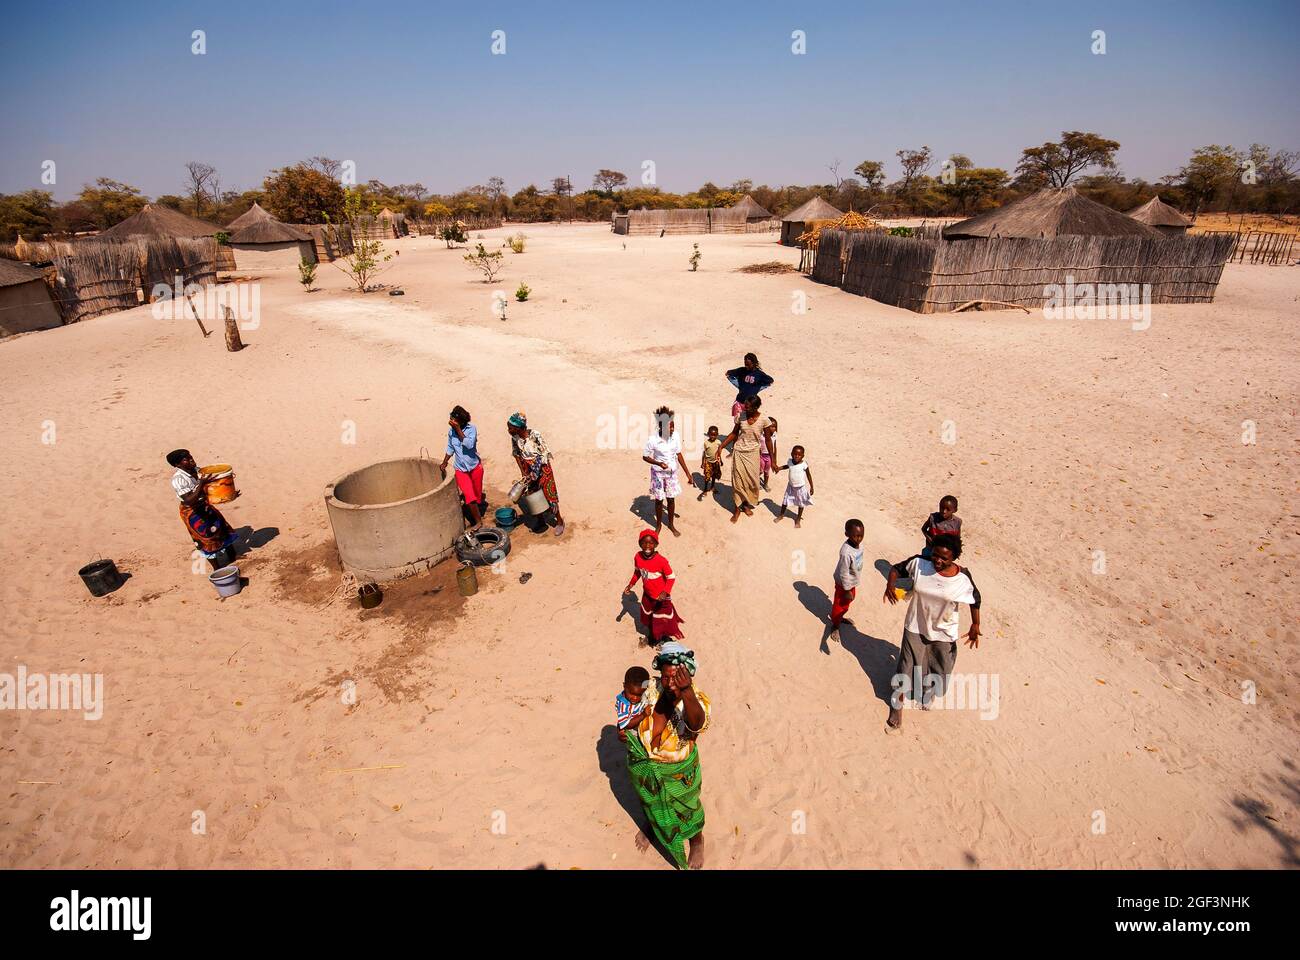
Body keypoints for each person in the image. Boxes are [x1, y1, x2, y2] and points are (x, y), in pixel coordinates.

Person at [882, 533, 982, 733]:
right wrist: (890, 584)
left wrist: (975, 625)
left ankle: (928, 692)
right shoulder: (919, 563)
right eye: (936, 555)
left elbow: (976, 599)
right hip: (915, 626)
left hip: (944, 632)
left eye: (944, 558)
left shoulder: (962, 578)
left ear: (954, 557)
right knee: (906, 666)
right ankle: (897, 706)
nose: (938, 560)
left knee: (940, 668)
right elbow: (896, 569)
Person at [625, 642, 711, 870]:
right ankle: (653, 826)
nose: (671, 683)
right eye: (666, 677)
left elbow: (697, 723)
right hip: (649, 766)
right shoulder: (652, 690)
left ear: (688, 676)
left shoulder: (695, 700)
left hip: (680, 771)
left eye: (677, 678)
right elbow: (636, 713)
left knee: (688, 807)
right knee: (652, 803)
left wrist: (687, 691)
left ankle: (696, 840)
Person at [167, 449, 238, 571]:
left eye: (190, 457)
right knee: (205, 537)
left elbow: (212, 488)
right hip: (192, 511)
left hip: (204, 505)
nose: (191, 460)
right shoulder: (178, 480)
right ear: (177, 465)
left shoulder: (198, 471)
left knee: (222, 528)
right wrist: (201, 483)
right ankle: (217, 568)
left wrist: (228, 493)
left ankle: (233, 556)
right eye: (186, 459)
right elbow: (189, 500)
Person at [717, 396, 775, 523]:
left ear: (756, 407)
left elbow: (769, 440)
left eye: (748, 407)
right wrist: (721, 446)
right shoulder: (741, 416)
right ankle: (737, 508)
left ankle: (746, 504)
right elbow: (734, 434)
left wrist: (773, 460)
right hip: (739, 453)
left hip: (753, 454)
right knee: (738, 481)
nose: (745, 409)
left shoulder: (764, 420)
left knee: (751, 481)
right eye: (745, 406)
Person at [506, 411, 565, 536]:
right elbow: (517, 455)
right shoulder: (515, 439)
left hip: (543, 469)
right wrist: (524, 472)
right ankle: (540, 521)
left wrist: (535, 472)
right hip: (528, 469)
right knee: (533, 496)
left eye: (510, 427)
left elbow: (543, 455)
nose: (508, 430)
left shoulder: (535, 435)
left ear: (518, 427)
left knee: (550, 496)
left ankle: (559, 521)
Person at [623, 529, 683, 645]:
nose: (647, 546)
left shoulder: (661, 561)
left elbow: (671, 577)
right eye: (644, 543)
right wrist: (631, 584)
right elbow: (638, 572)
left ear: (656, 544)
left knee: (662, 619)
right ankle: (651, 637)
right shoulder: (638, 557)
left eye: (651, 543)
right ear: (639, 544)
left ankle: (664, 640)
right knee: (650, 618)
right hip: (647, 595)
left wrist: (665, 592)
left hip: (660, 598)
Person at [642, 406, 691, 537]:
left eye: (673, 427)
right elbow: (645, 456)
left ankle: (671, 524)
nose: (672, 430)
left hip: (671, 474)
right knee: (659, 500)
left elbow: (679, 454)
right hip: (658, 474)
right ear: (661, 427)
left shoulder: (675, 436)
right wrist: (658, 463)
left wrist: (687, 473)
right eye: (670, 427)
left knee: (671, 499)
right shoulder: (652, 440)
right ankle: (658, 525)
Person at [440, 405, 485, 529]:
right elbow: (450, 448)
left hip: (475, 467)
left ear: (459, 421)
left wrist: (458, 429)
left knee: (477, 495)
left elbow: (469, 445)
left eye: (453, 418)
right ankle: (478, 522)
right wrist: (444, 462)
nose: (450, 420)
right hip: (460, 469)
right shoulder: (451, 432)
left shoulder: (472, 429)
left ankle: (476, 508)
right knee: (469, 497)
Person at [829, 518, 865, 640]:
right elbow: (844, 573)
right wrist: (846, 590)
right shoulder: (845, 552)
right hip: (843, 585)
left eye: (861, 535)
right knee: (839, 605)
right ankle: (835, 626)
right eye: (855, 536)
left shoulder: (860, 545)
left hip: (851, 582)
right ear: (847, 534)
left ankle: (840, 618)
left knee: (846, 604)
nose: (859, 539)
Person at [773, 444, 814, 527]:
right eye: (795, 454)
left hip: (800, 487)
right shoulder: (790, 461)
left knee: (800, 503)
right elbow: (787, 466)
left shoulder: (804, 465)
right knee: (785, 501)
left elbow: (809, 475)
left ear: (803, 456)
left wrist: (812, 486)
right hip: (790, 486)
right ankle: (781, 515)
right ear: (791, 454)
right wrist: (779, 468)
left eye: (799, 455)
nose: (797, 456)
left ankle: (798, 519)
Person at [725, 352, 774, 419]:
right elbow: (729, 372)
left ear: (754, 363)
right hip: (740, 401)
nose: (746, 366)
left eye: (748, 365)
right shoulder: (742, 370)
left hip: (750, 405)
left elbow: (770, 380)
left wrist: (758, 386)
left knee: (747, 423)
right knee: (741, 423)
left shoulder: (759, 374)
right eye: (745, 364)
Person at [615, 666, 651, 742]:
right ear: (624, 686)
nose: (635, 698)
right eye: (632, 694)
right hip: (633, 732)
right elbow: (626, 724)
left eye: (639, 695)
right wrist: (643, 715)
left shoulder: (643, 688)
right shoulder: (623, 705)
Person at [696, 425, 723, 501]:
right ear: (708, 434)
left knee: (714, 475)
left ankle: (712, 487)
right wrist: (702, 463)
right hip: (708, 463)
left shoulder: (718, 442)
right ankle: (705, 490)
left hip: (715, 462)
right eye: (711, 434)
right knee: (707, 477)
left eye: (715, 435)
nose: (713, 436)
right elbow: (704, 454)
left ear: (717, 435)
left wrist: (720, 460)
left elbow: (719, 452)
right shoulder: (706, 443)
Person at [759, 416, 778, 490]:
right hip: (761, 456)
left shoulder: (774, 435)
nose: (774, 429)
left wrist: (774, 459)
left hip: (769, 456)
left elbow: (775, 447)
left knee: (767, 471)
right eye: (772, 427)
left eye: (775, 427)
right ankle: (757, 482)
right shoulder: (761, 435)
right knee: (760, 470)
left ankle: (765, 484)